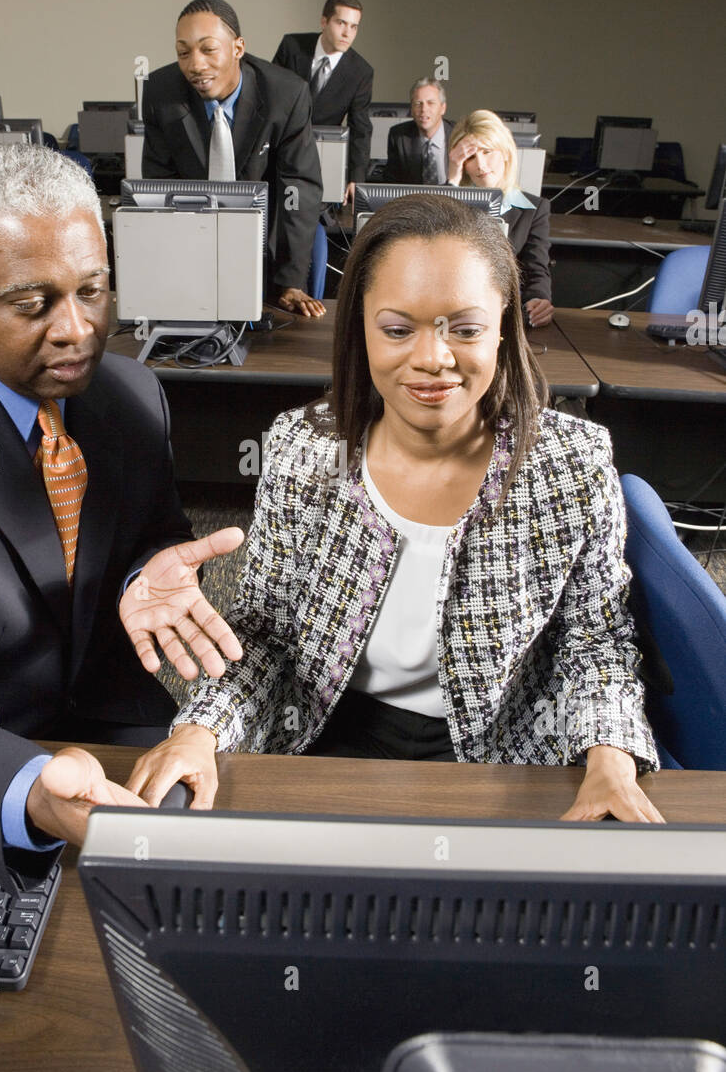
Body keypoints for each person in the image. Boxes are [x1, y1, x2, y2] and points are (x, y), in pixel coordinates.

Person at [127, 193, 663, 825]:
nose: (433, 358)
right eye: (398, 328)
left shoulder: (571, 460)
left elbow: (594, 641)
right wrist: (201, 730)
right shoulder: (303, 450)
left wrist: (609, 757)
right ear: (360, 326)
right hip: (327, 734)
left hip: (502, 754)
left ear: (502, 324)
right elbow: (264, 636)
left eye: (464, 329)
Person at [0, 144, 245, 893]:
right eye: (33, 304)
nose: (76, 330)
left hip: (119, 724)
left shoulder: (132, 396)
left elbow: (150, 532)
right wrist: (28, 788)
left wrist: (145, 570)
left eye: (93, 291)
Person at [142, 0, 325, 318]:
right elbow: (160, 188)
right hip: (190, 248)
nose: (195, 65)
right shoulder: (161, 92)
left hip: (263, 249)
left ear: (237, 48)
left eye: (208, 48)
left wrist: (291, 282)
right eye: (183, 52)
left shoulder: (286, 94)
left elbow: (299, 190)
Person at [447, 109, 554, 327]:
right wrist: (452, 183)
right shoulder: (450, 203)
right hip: (450, 313)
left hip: (503, 318)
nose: (481, 165)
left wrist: (537, 299)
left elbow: (535, 268)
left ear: (505, 152)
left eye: (487, 151)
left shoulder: (534, 208)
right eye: (470, 157)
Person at [273, 0, 374, 207]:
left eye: (354, 27)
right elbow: (271, 98)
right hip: (280, 151)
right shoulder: (292, 46)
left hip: (321, 159)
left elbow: (360, 129)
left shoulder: (360, 72)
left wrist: (356, 178)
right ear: (324, 22)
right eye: (341, 23)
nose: (348, 33)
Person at [385, 78, 453, 186]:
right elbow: (392, 183)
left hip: (452, 201)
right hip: (414, 202)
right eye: (418, 103)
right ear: (411, 109)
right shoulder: (399, 136)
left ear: (442, 108)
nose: (424, 109)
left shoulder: (459, 134)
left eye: (431, 103)